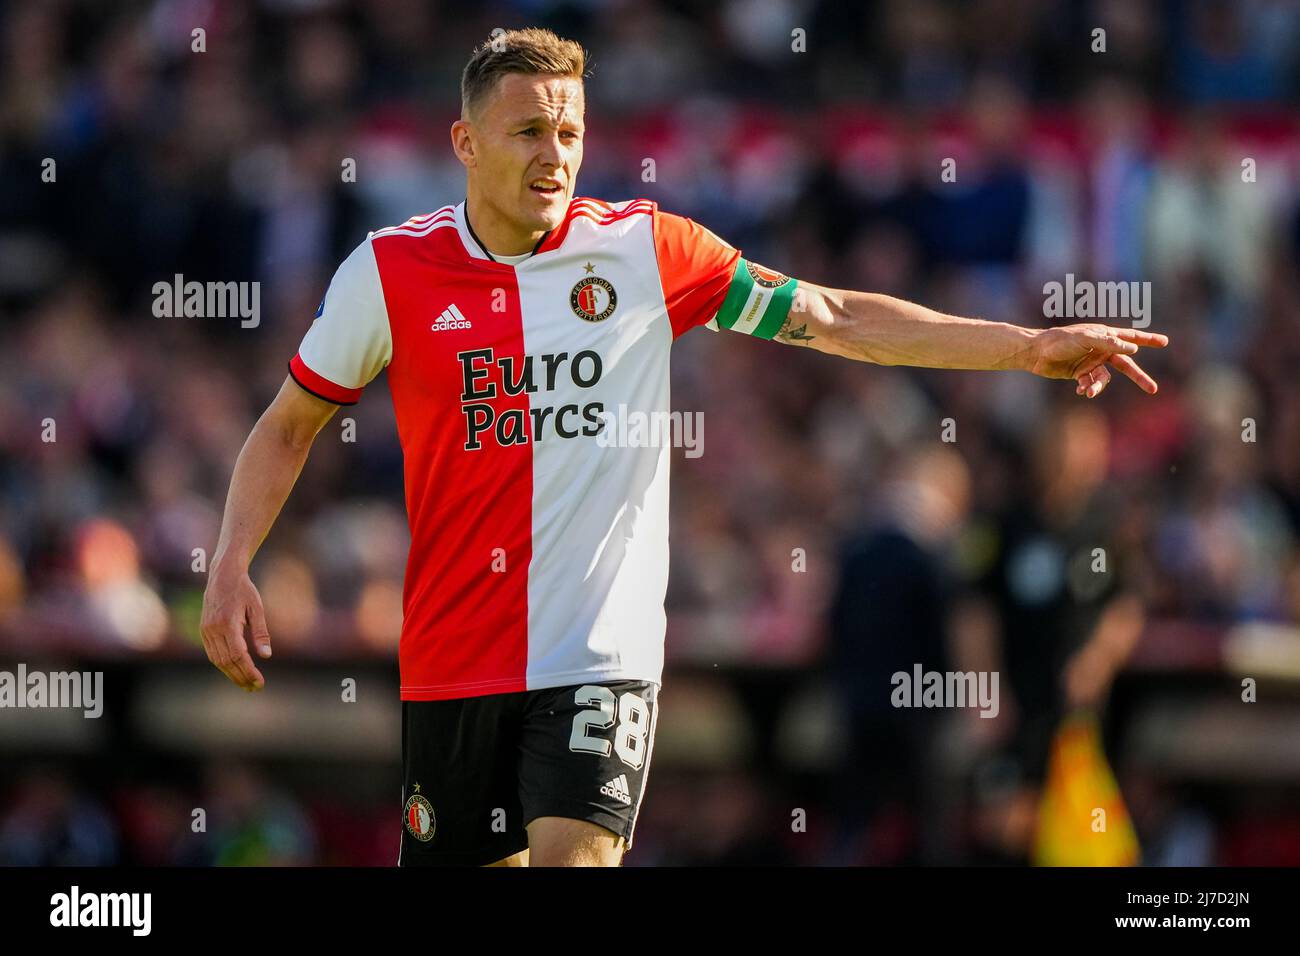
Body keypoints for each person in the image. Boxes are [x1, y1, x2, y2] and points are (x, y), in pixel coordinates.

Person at [199, 27, 1169, 867]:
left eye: (570, 133)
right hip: (454, 656)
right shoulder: (390, 269)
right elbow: (289, 423)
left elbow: (831, 314)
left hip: (597, 653)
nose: (554, 155)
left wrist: (1024, 347)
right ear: (465, 141)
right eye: (529, 130)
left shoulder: (644, 252)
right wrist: (231, 563)